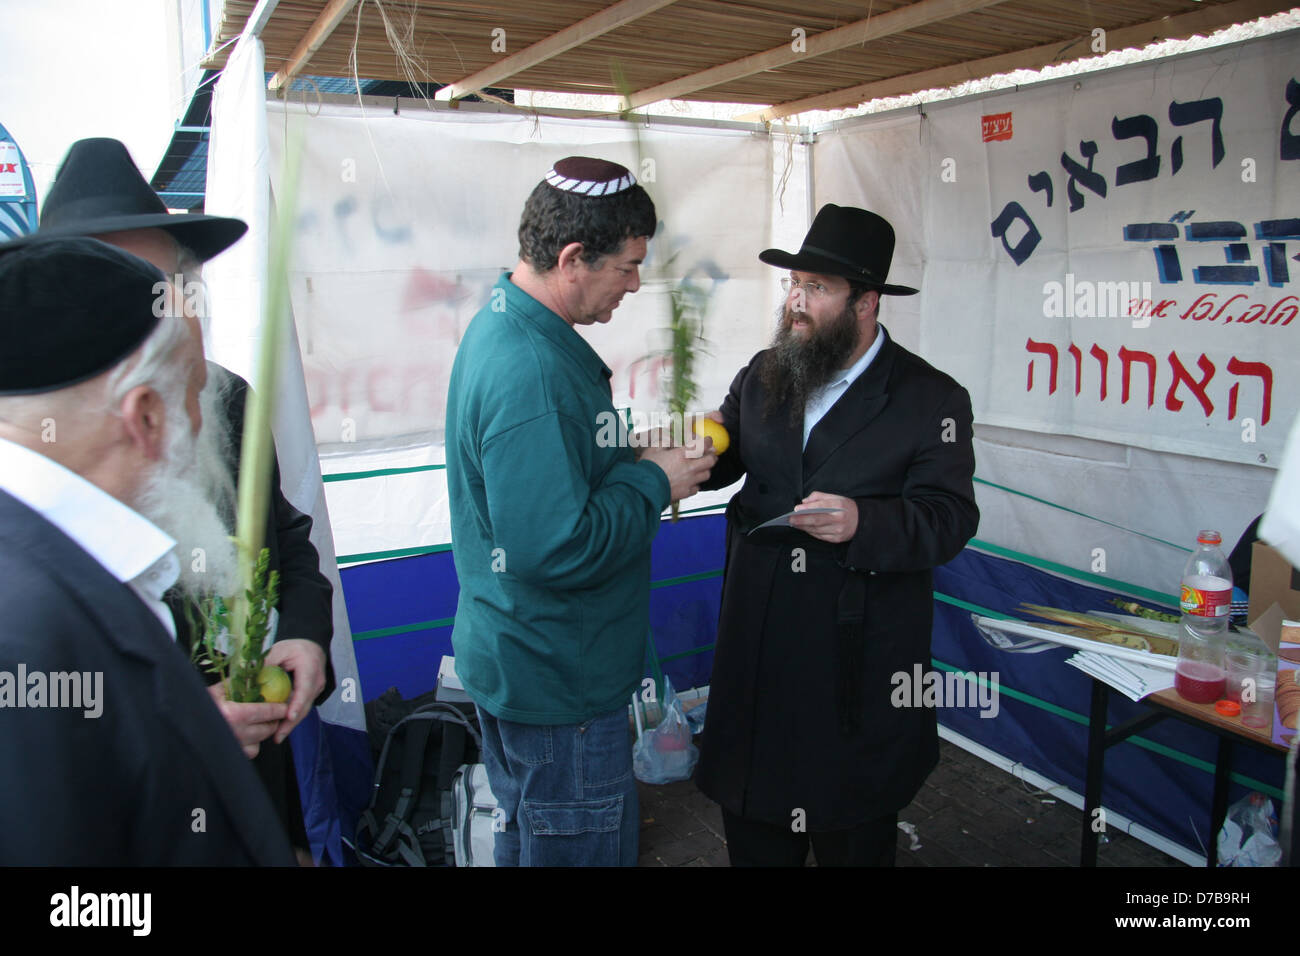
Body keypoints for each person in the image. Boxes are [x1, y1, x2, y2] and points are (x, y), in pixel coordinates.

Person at [14, 137, 335, 861]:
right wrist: (187, 727)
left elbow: (286, 537)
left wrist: (306, 635)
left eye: (161, 283)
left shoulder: (221, 399)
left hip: (256, 769)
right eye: (116, 282)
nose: (149, 311)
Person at [444, 156, 716, 866]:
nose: (635, 283)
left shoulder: (507, 323)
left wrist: (623, 451)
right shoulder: (530, 367)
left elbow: (544, 468)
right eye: (627, 266)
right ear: (572, 259)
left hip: (518, 664)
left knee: (526, 830)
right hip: (557, 684)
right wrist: (655, 483)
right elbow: (554, 548)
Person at [695, 204, 980, 866]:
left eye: (817, 288)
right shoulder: (767, 371)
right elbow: (723, 452)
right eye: (795, 284)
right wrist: (672, 448)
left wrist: (863, 522)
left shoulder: (930, 400)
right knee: (755, 827)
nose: (796, 302)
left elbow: (948, 518)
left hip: (851, 666)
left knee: (849, 832)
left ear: (866, 302)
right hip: (758, 645)